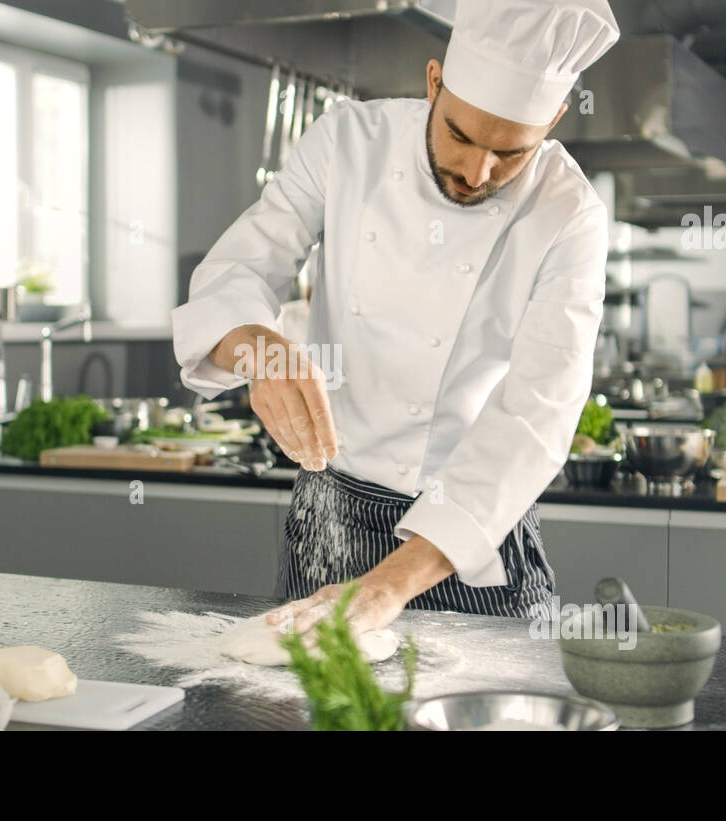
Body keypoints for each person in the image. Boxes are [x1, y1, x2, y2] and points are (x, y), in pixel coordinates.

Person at [171, 0, 620, 638]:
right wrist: (259, 349)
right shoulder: (347, 141)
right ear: (433, 81)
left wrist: (389, 585)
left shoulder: (569, 212)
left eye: (511, 154)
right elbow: (235, 272)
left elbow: (538, 414)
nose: (476, 172)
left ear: (551, 119)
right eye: (460, 136)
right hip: (329, 515)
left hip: (469, 534)